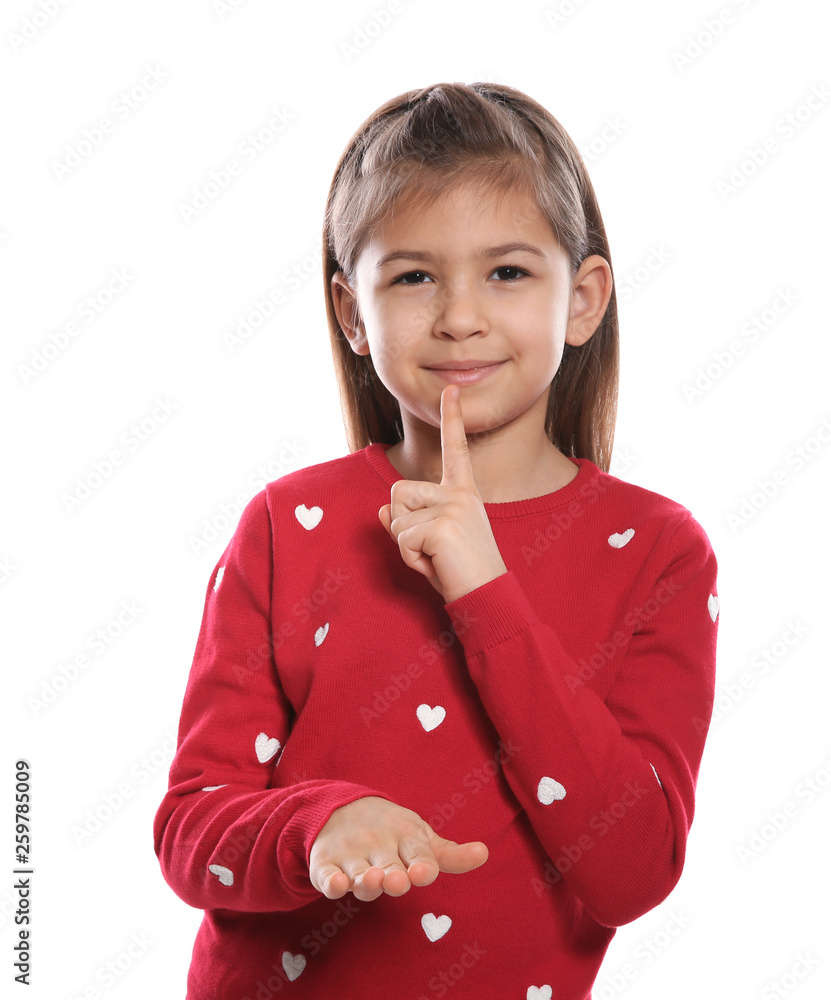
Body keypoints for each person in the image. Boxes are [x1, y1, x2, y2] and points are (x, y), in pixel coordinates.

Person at [153, 81, 720, 999]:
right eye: (414, 276)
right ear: (350, 312)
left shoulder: (656, 550)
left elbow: (631, 872)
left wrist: (484, 589)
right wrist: (319, 825)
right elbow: (190, 835)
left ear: (581, 301)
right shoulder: (284, 527)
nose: (459, 315)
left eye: (506, 272)